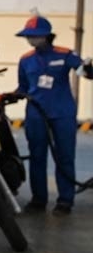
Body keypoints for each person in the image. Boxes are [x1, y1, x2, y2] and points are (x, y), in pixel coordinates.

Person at [14, 15, 86, 216]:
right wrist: (7, 97)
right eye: (28, 36)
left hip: (63, 114)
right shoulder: (26, 60)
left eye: (35, 36)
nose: (31, 39)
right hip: (36, 115)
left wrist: (88, 69)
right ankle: (39, 199)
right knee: (37, 157)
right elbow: (23, 87)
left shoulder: (65, 55)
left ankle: (65, 201)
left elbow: (83, 70)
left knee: (65, 157)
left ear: (46, 36)